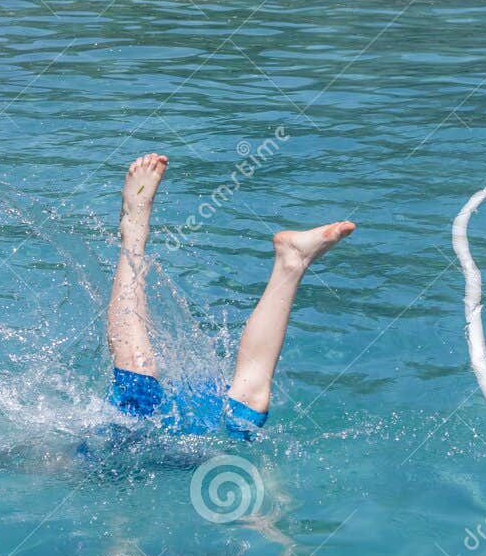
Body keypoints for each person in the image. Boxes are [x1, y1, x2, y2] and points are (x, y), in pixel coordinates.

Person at [106, 152, 355, 439]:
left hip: (127, 449)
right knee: (249, 407)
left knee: (137, 387)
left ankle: (133, 232)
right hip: (181, 453)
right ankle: (292, 263)